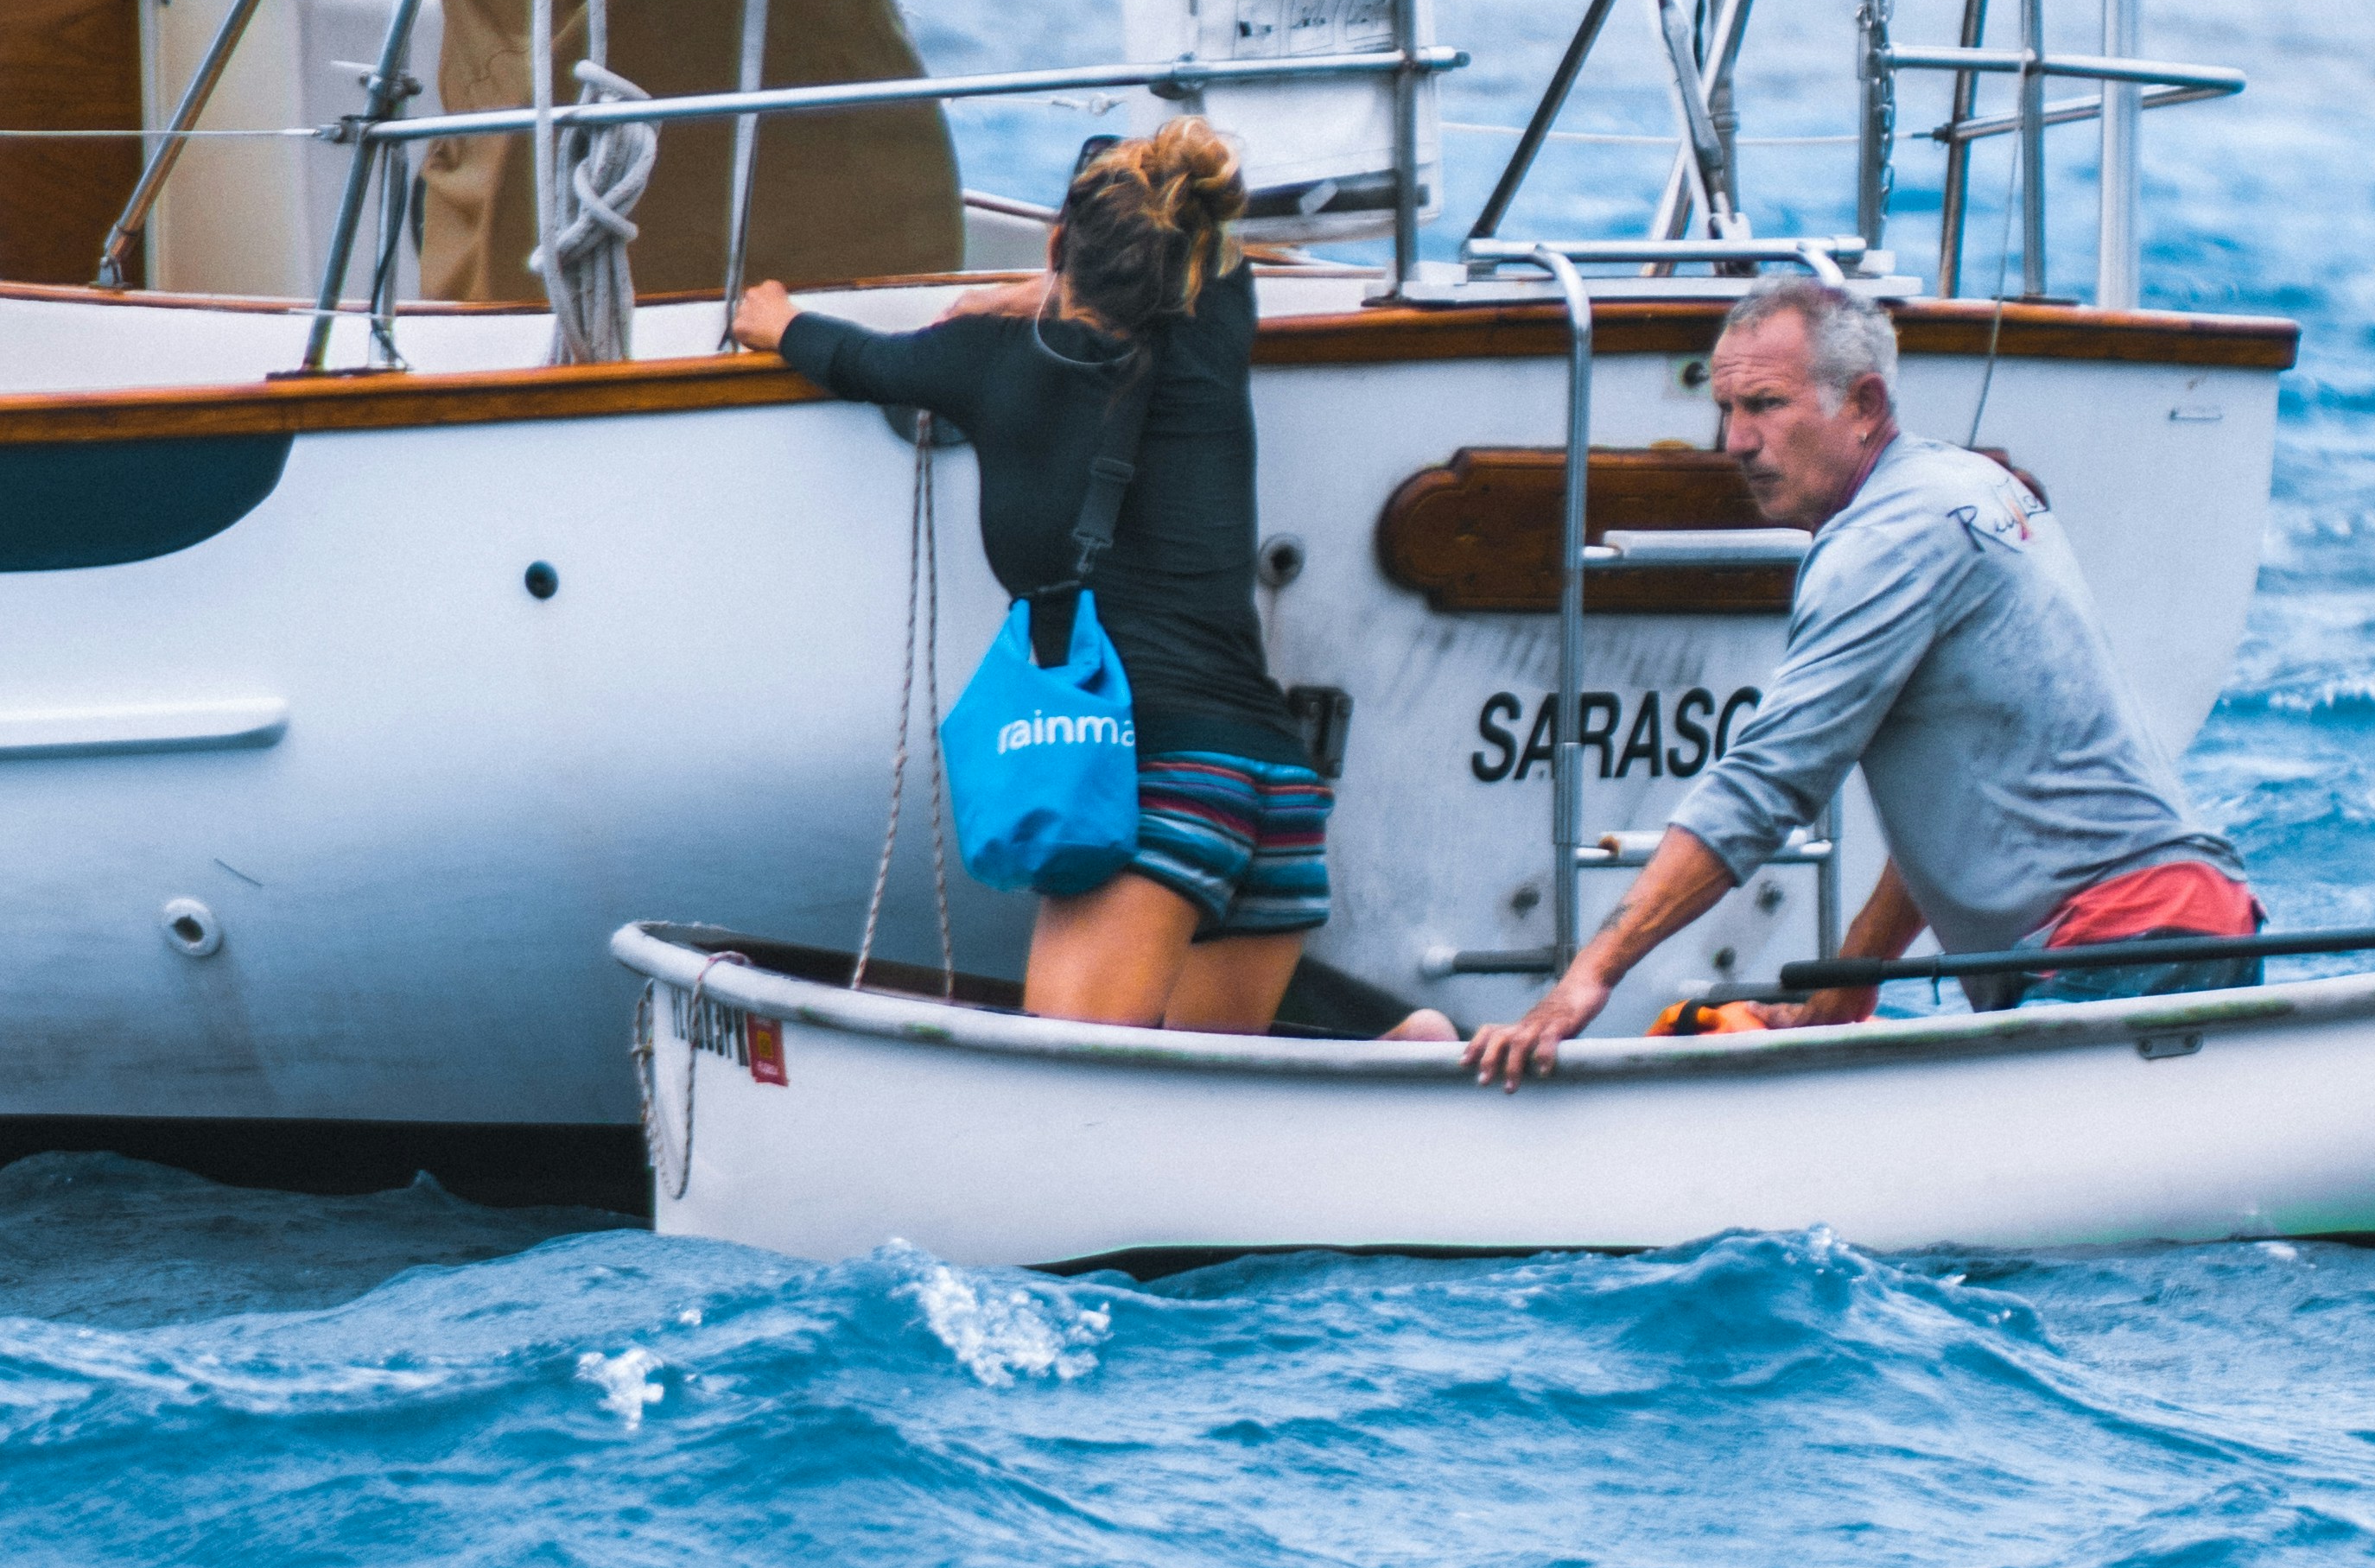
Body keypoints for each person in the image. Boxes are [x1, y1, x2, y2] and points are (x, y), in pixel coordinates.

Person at [1465, 273, 2258, 1083]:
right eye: (1725, 410)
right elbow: (1960, 808)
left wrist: (1586, 977)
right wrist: (1850, 988)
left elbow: (1762, 786)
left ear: (1866, 404)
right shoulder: (1964, 483)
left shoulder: (1881, 541)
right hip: (2199, 924)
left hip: (2122, 952)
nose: (1734, 442)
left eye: (1765, 405)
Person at [734, 119, 1337, 1030]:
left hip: (1158, 791)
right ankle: (1405, 1043)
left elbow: (856, 358)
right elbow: (1209, 259)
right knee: (1199, 1123)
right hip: (1276, 799)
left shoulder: (987, 361)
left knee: (1070, 1099)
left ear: (1058, 246)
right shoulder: (1210, 345)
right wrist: (1041, 290)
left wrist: (772, 316)